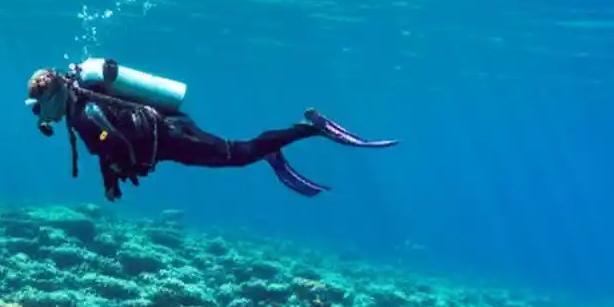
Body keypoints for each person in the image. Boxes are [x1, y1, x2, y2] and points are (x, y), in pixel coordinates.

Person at [24, 59, 397, 202]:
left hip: (173, 136)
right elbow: (110, 143)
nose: (43, 117)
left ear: (53, 99)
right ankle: (276, 144)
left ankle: (308, 128)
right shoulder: (82, 104)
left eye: (40, 109)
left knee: (236, 155)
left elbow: (112, 141)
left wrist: (116, 172)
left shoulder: (85, 113)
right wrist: (112, 178)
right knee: (235, 154)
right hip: (169, 135)